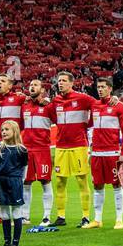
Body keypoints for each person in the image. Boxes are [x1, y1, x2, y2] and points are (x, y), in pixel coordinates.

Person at [49, 71, 98, 227]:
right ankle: (61, 216)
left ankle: (85, 217)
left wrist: (88, 124)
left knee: (81, 180)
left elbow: (98, 105)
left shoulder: (82, 98)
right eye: (59, 81)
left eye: (64, 80)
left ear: (71, 83)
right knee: (59, 182)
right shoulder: (56, 100)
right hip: (61, 147)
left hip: (79, 146)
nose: (60, 83)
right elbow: (53, 118)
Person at [85, 76, 123, 230]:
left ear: (110, 89)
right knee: (97, 185)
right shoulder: (94, 105)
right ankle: (97, 219)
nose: (100, 89)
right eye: (98, 87)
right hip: (97, 153)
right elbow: (88, 124)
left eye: (103, 87)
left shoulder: (119, 106)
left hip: (113, 153)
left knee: (116, 185)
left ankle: (119, 219)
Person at [21, 78, 56, 228]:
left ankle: (46, 217)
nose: (32, 87)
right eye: (30, 84)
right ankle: (25, 216)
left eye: (35, 85)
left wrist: (49, 102)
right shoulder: (24, 105)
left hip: (42, 150)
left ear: (42, 90)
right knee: (26, 182)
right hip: (26, 150)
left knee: (45, 181)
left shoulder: (48, 106)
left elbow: (59, 120)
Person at [0, 121, 30, 246]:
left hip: (15, 181)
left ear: (14, 131)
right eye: (2, 130)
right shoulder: (0, 148)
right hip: (2, 181)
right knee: (4, 212)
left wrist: (21, 180)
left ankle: (15, 243)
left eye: (7, 129)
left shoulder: (21, 150)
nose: (4, 132)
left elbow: (24, 166)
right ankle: (6, 242)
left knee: (16, 211)